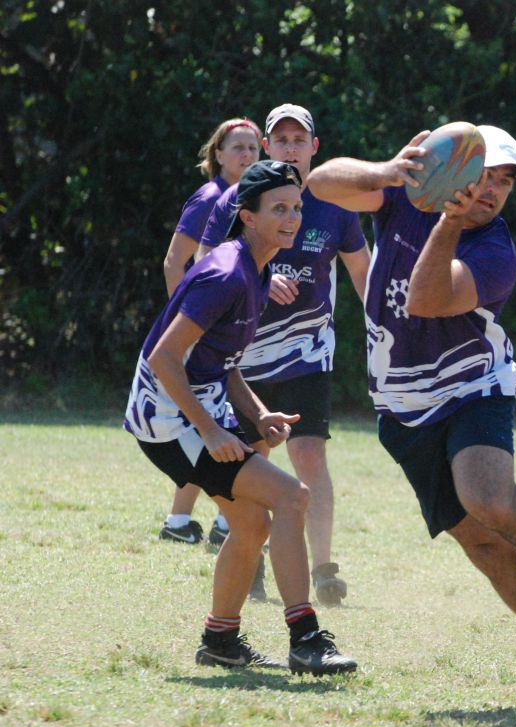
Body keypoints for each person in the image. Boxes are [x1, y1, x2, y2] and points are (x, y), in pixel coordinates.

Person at [306, 124, 516, 710]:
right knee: (485, 549)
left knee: (488, 498)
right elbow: (320, 184)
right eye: (484, 175)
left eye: (505, 182)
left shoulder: (495, 251)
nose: (492, 191)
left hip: (473, 385)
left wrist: (448, 221)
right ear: (453, 170)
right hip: (402, 407)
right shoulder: (403, 196)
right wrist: (388, 171)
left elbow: (425, 299)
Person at [124, 160, 356, 675]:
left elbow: (221, 360)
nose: (292, 218)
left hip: (197, 408)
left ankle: (220, 641)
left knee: (251, 524)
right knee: (292, 497)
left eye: (296, 207)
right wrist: (210, 431)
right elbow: (165, 357)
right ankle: (306, 640)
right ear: (247, 216)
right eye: (279, 208)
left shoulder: (258, 268)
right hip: (168, 420)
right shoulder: (227, 273)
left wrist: (258, 413)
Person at [197, 104, 371, 605]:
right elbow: (205, 263)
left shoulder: (336, 205)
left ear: (314, 147)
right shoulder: (238, 199)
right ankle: (248, 557)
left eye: (299, 140)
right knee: (251, 459)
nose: (290, 148)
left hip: (308, 351)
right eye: (281, 140)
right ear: (267, 147)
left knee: (309, 453)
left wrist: (388, 329)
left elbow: (364, 273)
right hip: (244, 353)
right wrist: (257, 278)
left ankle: (324, 569)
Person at [157, 117, 262, 546]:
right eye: (238, 147)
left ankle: (185, 522)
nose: (247, 155)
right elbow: (174, 262)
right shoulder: (210, 197)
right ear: (217, 154)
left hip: (225, 332)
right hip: (202, 333)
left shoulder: (254, 200)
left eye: (253, 148)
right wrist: (188, 324)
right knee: (213, 427)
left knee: (214, 429)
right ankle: (215, 522)